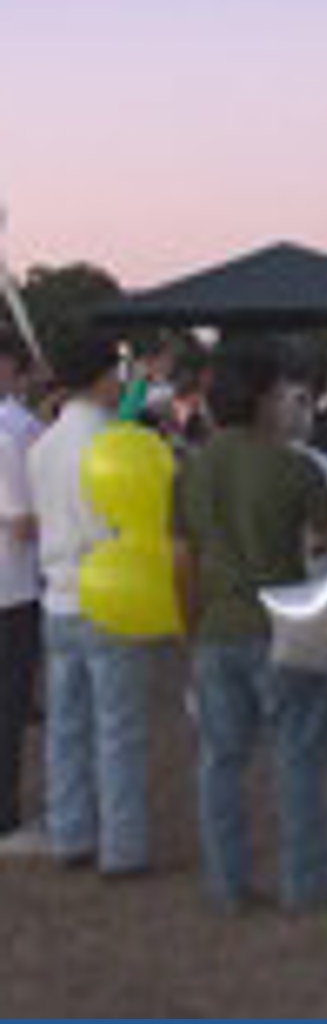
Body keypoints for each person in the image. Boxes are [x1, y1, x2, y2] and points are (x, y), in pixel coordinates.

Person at [175, 340, 327, 913]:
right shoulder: (295, 466)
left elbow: (182, 561)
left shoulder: (191, 470)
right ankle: (303, 884)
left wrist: (188, 627)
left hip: (216, 626)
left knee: (220, 762)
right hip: (285, 624)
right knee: (298, 759)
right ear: (267, 398)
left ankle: (226, 884)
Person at [28, 335, 153, 878]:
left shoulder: (41, 446)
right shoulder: (117, 442)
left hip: (57, 596)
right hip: (111, 593)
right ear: (104, 377)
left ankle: (70, 832)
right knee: (118, 729)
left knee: (66, 727)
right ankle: (122, 846)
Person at [0, 333, 46, 855]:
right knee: (8, 704)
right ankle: (5, 819)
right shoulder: (10, 430)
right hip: (10, 588)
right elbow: (21, 522)